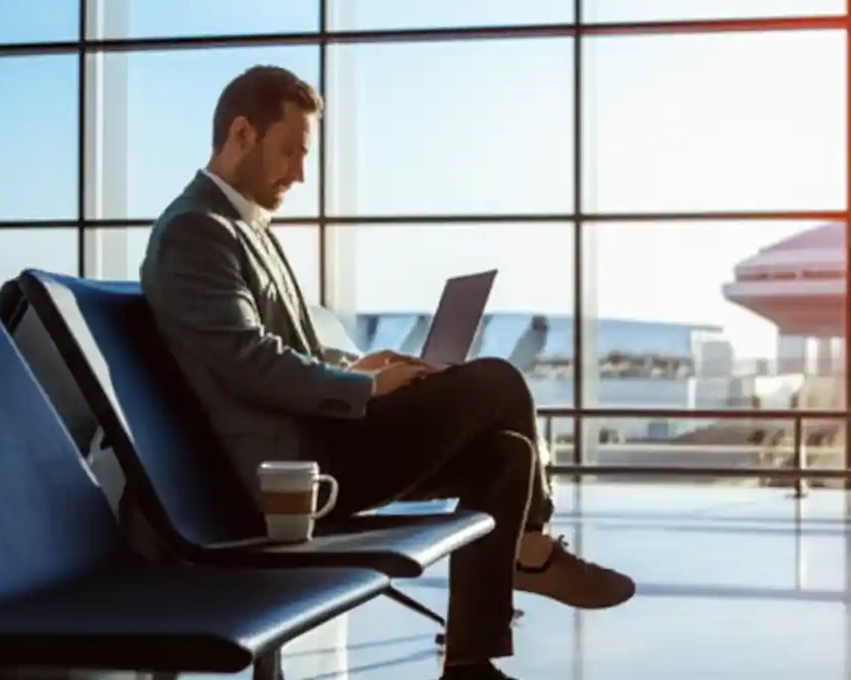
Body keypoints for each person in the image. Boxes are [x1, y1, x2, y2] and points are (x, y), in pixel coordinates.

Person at [140, 65, 634, 680]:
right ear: (242, 132)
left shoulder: (243, 228)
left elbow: (275, 350)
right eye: (290, 151)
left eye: (305, 155)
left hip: (317, 449)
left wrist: (357, 368)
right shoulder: (197, 230)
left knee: (506, 454)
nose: (299, 172)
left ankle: (469, 665)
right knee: (498, 382)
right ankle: (530, 548)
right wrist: (367, 389)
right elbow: (247, 362)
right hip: (289, 476)